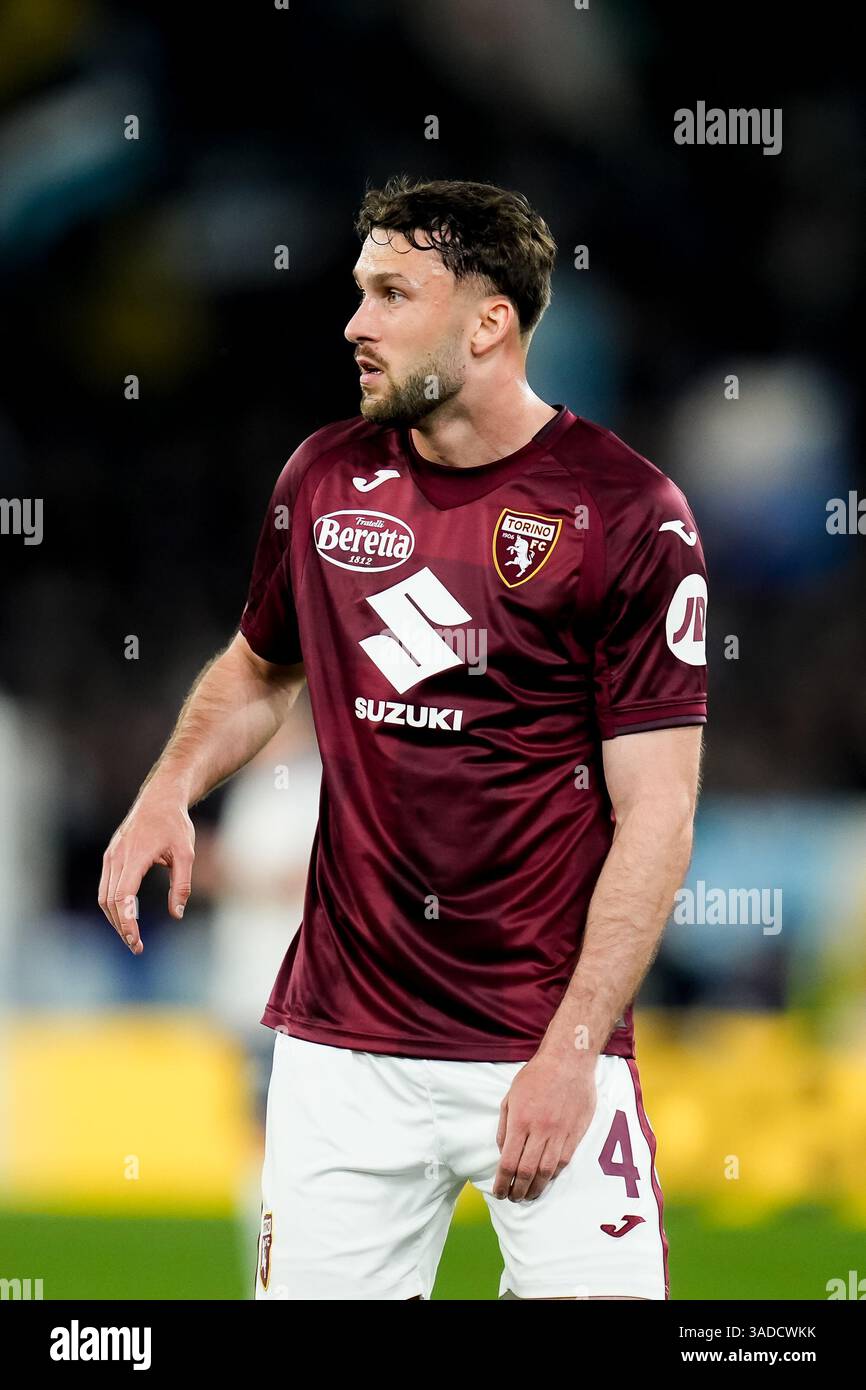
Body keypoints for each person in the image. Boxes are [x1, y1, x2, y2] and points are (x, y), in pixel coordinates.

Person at [99, 175, 707, 1301]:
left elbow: (658, 809)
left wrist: (571, 1053)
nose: (354, 323)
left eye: (390, 293)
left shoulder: (626, 514)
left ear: (488, 322)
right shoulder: (323, 479)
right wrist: (167, 787)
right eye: (356, 291)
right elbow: (257, 664)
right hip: (342, 1052)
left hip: (540, 1042)